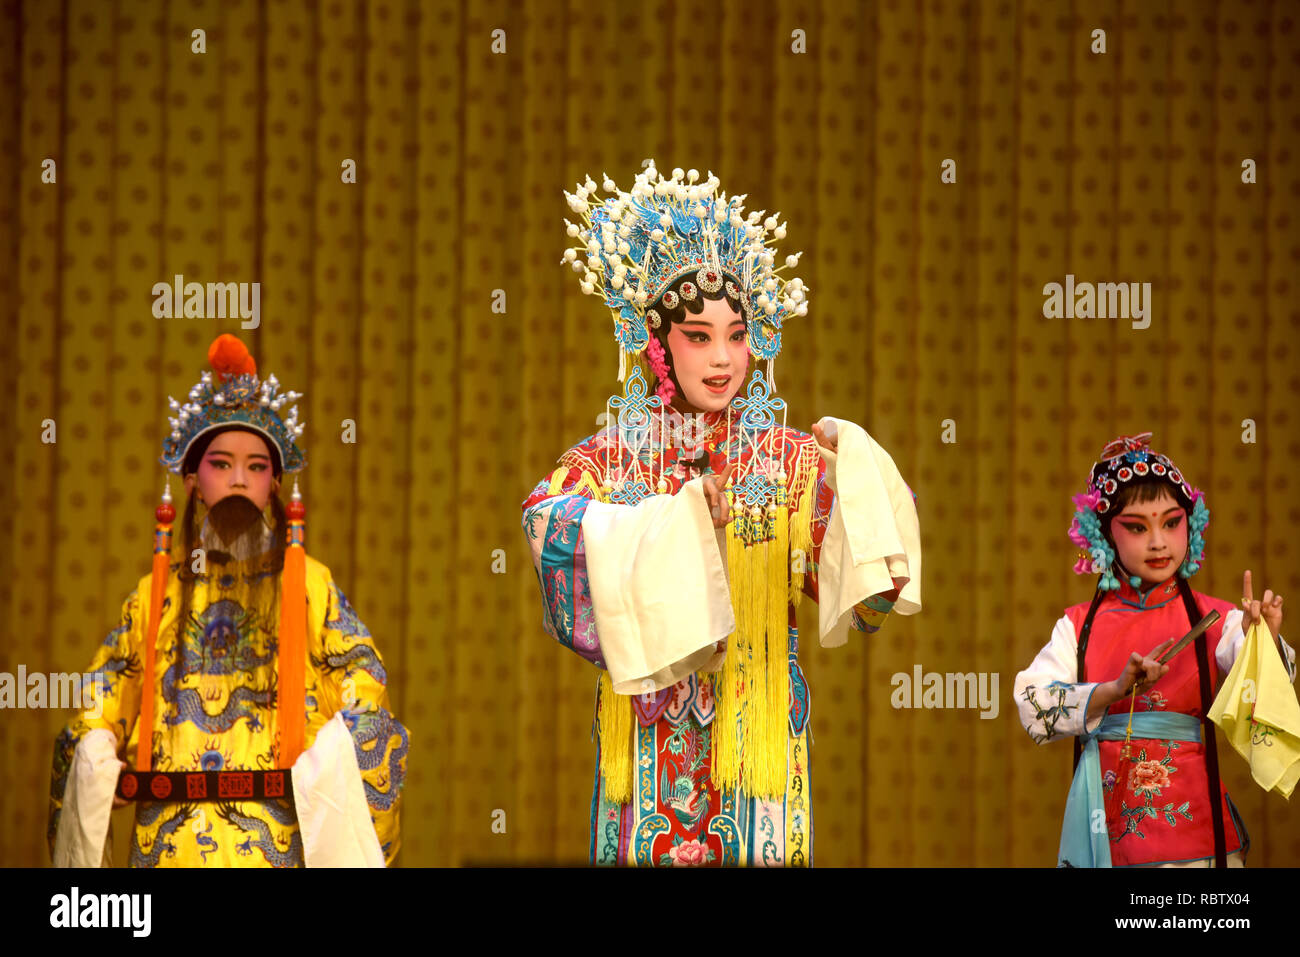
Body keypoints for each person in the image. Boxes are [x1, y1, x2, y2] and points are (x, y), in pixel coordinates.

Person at [522, 164, 922, 866]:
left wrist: (855, 474)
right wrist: (665, 522)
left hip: (756, 735)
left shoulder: (789, 460)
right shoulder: (612, 460)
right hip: (646, 736)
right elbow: (544, 523)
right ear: (656, 342)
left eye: (736, 335)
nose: (722, 358)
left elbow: (869, 589)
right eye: (699, 336)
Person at [48, 335, 408, 867]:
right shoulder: (156, 594)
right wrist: (101, 763)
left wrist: (324, 762)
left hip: (275, 839)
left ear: (276, 484)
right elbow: (96, 708)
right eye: (222, 464)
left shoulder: (310, 586)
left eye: (257, 467)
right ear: (193, 480)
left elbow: (366, 698)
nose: (240, 478)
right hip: (167, 843)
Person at [1014, 432, 1295, 867]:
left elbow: (1260, 683)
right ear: (1104, 535)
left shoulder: (1217, 618)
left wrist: (1266, 639)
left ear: (1191, 523)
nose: (1159, 542)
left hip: (1194, 820)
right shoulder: (1077, 626)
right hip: (1105, 819)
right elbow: (1034, 703)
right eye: (1137, 527)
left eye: (1171, 522)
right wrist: (1111, 690)